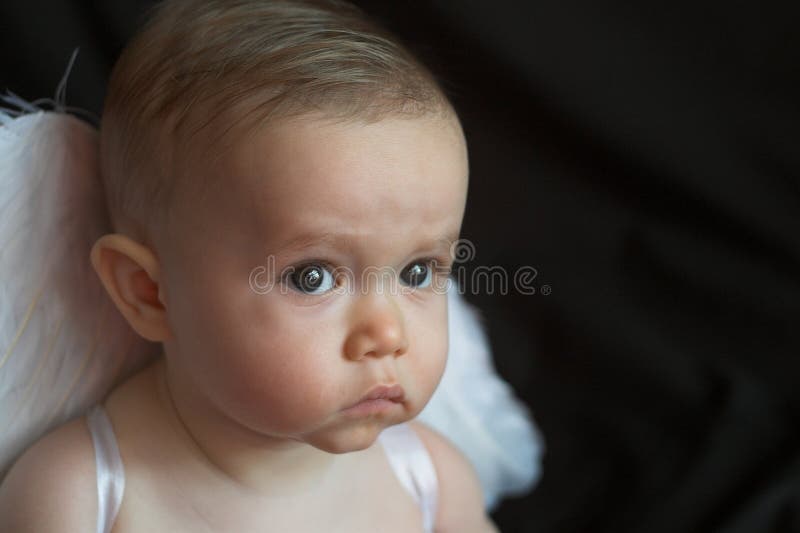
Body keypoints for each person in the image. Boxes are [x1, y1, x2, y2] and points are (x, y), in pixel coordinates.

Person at [0, 0, 503, 531]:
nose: (388, 333)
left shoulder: (432, 483)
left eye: (418, 272)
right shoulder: (80, 496)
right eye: (312, 277)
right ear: (149, 291)